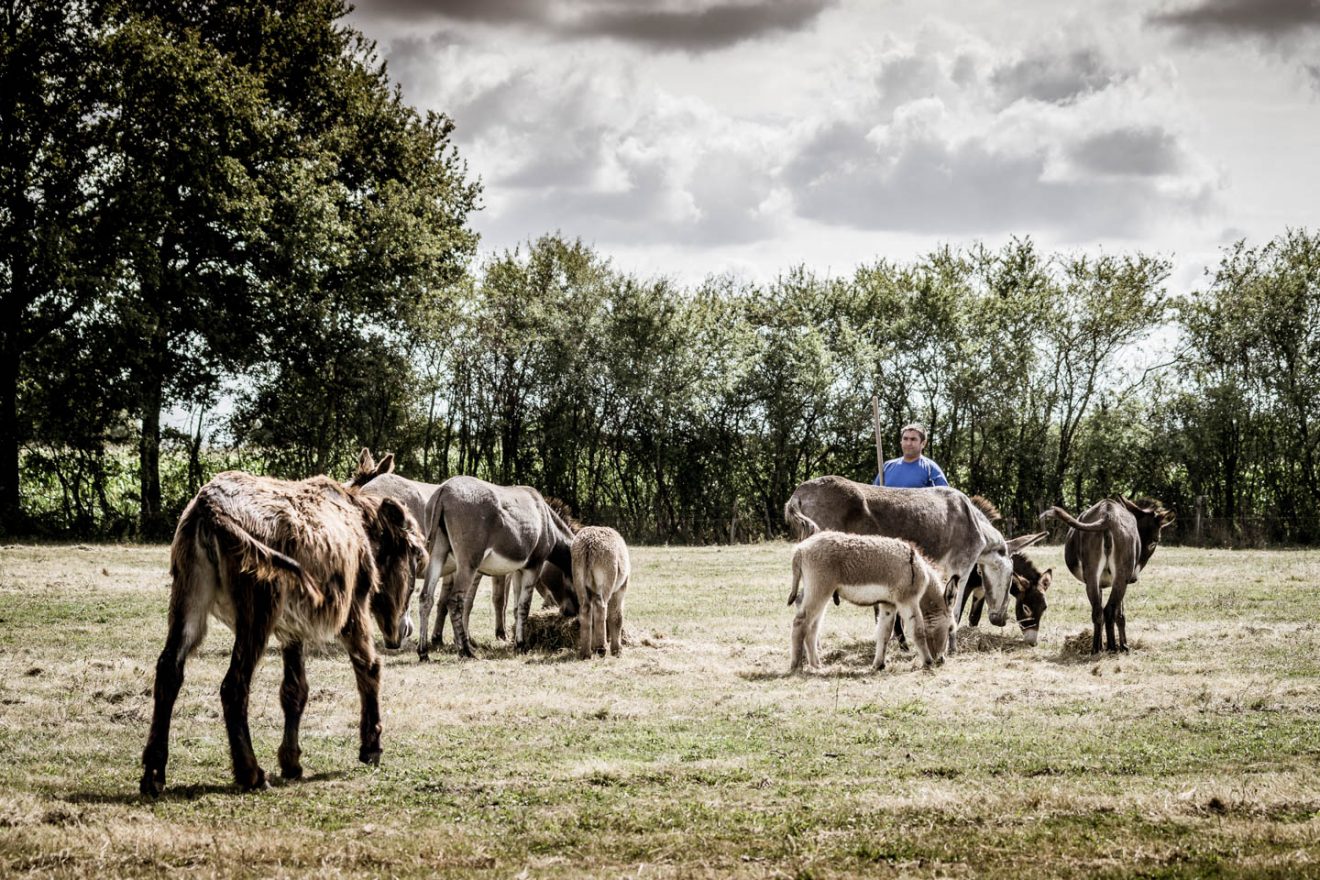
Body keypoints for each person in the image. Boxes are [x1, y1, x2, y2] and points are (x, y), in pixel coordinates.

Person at [873, 423, 948, 488]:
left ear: (923, 443)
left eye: (913, 439)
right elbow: (875, 494)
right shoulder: (887, 467)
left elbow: (945, 497)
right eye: (905, 439)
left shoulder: (931, 469)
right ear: (901, 442)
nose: (908, 443)